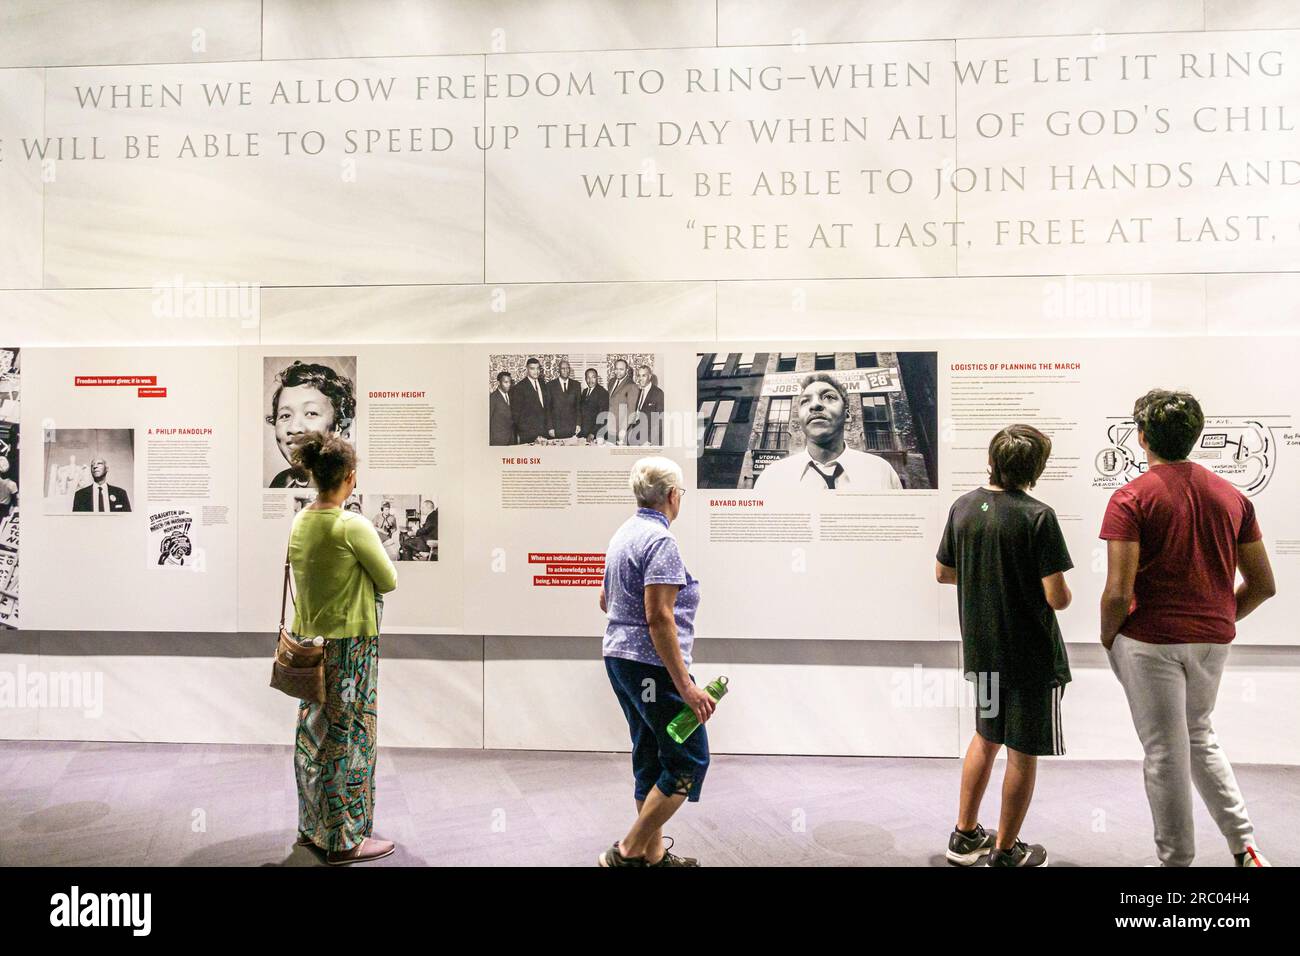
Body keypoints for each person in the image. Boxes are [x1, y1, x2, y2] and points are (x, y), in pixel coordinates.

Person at [1100, 389, 1274, 868]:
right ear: (1195, 436)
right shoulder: (1232, 496)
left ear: (1141, 437)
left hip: (1150, 641)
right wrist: (1217, 618)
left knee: (1164, 754)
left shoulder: (1131, 497)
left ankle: (1176, 864)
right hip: (1211, 641)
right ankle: (1246, 847)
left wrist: (1108, 636)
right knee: (1199, 735)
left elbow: (1118, 589)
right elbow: (1263, 585)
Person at [936, 425, 1072, 867]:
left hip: (983, 652)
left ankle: (964, 835)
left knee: (986, 737)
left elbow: (943, 573)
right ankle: (1007, 850)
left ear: (991, 460)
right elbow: (1058, 597)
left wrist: (985, 576)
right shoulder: (1038, 516)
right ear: (1036, 469)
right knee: (1023, 751)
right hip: (1031, 658)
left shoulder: (963, 507)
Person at [286, 431, 398, 865]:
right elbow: (388, 579)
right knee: (348, 737)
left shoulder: (302, 521)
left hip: (310, 643)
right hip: (349, 647)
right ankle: (345, 839)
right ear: (349, 477)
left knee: (313, 733)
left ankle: (313, 827)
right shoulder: (351, 525)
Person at [598, 457, 709, 867]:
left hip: (620, 659)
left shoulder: (623, 534)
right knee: (688, 758)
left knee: (648, 752)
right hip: (652, 668)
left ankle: (653, 855)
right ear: (672, 496)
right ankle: (627, 851)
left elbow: (605, 600)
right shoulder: (661, 541)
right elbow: (659, 616)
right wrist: (686, 686)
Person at [752, 373, 902, 493]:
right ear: (799, 420)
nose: (815, 405)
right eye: (805, 401)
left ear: (847, 415)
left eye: (829, 397)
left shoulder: (882, 471)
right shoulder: (771, 477)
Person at [266, 361, 356, 488]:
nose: (294, 428)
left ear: (338, 426)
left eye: (311, 413)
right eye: (285, 416)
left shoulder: (350, 485)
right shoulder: (280, 482)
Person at [625, 365, 665, 446]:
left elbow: (660, 420)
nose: (640, 378)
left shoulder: (658, 393)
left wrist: (649, 441)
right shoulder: (639, 392)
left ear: (650, 376)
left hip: (649, 440)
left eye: (644, 375)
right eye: (639, 375)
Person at [511, 358, 548, 444]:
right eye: (532, 368)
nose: (536, 371)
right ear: (527, 369)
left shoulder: (542, 383)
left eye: (538, 368)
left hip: (544, 432)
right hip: (529, 434)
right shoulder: (520, 387)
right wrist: (526, 432)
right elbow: (516, 415)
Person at [546, 360, 582, 440]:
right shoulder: (550, 385)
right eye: (563, 368)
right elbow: (548, 409)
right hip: (556, 428)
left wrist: (578, 424)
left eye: (568, 368)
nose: (566, 370)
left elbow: (578, 407)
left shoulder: (576, 385)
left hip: (572, 428)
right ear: (558, 370)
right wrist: (550, 427)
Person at [607, 358, 639, 445]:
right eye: (616, 369)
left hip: (623, 429)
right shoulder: (611, 382)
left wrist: (623, 430)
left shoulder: (632, 386)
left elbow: (631, 411)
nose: (618, 372)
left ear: (627, 370)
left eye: (621, 369)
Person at [579, 367, 610, 443]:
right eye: (588, 378)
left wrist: (593, 433)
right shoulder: (585, 391)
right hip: (584, 433)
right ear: (585, 379)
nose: (590, 380)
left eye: (593, 377)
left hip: (596, 434)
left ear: (597, 378)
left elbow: (603, 416)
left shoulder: (603, 392)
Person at [489, 371, 516, 446]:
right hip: (498, 440)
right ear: (498, 383)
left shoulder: (511, 396)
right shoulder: (492, 398)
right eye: (506, 382)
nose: (509, 385)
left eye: (510, 382)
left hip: (511, 439)